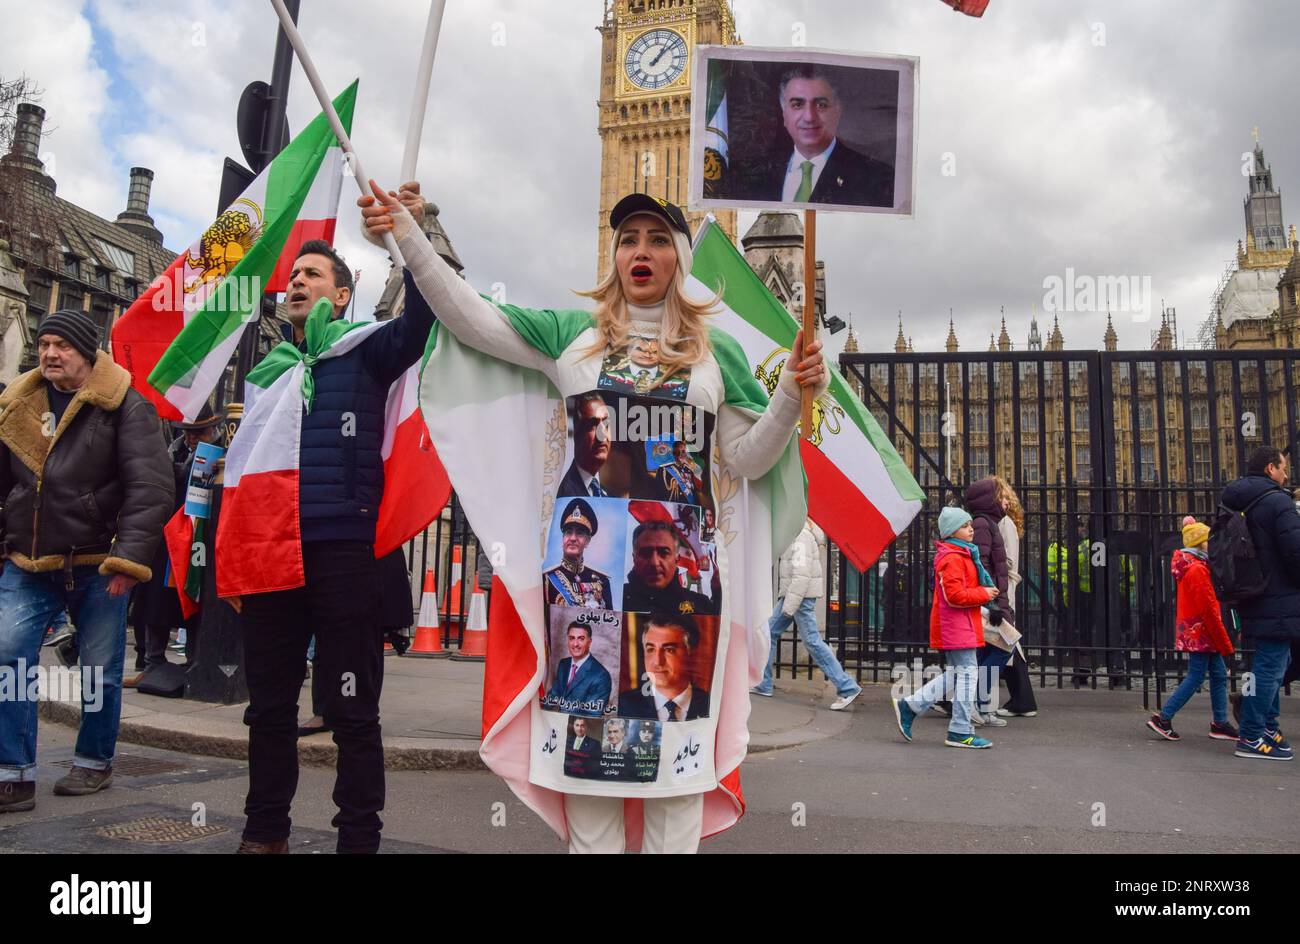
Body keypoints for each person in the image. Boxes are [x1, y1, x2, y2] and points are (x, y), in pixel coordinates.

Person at [364, 186, 827, 852]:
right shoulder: (572, 338)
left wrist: (787, 394)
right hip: (586, 593)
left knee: (675, 785)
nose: (642, 251)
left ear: (681, 259)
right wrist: (408, 235)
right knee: (592, 777)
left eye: (659, 239)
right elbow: (468, 317)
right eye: (629, 239)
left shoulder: (715, 356)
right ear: (614, 258)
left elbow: (748, 461)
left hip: (683, 594)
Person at [229, 183, 437, 854]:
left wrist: (410, 231)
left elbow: (426, 317)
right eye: (291, 276)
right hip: (271, 556)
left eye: (311, 275)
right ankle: (265, 834)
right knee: (268, 709)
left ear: (341, 295)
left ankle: (357, 839)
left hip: (344, 553)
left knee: (351, 709)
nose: (295, 282)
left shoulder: (367, 353)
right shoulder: (267, 373)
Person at [0, 309, 173, 813]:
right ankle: (13, 772)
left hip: (98, 562)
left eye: (63, 346)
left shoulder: (125, 406)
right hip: (27, 561)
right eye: (44, 344)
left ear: (88, 352)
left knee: (98, 669)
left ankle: (93, 763)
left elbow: (152, 488)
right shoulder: (17, 404)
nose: (50, 354)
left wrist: (127, 559)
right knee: (8, 655)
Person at [125, 401, 224, 686]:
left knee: (194, 600)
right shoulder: (173, 450)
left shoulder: (220, 453)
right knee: (156, 598)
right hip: (168, 534)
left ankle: (194, 664)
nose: (192, 438)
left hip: (200, 536)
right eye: (188, 432)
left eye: (198, 432)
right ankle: (153, 661)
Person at [891, 507, 1000, 749]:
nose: (971, 529)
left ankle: (911, 706)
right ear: (952, 531)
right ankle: (959, 730)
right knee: (967, 674)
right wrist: (983, 593)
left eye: (970, 524)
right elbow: (954, 596)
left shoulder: (961, 555)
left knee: (957, 674)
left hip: (961, 625)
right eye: (965, 526)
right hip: (957, 627)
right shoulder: (953, 558)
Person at [1219, 446, 1297, 761]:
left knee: (1271, 664)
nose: (1286, 474)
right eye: (1282, 468)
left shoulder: (1238, 501)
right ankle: (1252, 734)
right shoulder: (1278, 502)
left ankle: (1266, 725)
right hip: (1277, 596)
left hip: (1253, 593)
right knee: (1270, 667)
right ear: (1269, 469)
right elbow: (1294, 552)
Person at [739, 65, 894, 208]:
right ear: (784, 113)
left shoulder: (875, 179)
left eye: (821, 105)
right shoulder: (755, 174)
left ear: (837, 111)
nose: (809, 117)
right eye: (797, 105)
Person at [753, 518, 862, 710]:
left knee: (812, 641)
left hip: (798, 598)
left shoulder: (800, 536)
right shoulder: (797, 535)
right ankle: (764, 683)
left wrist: (789, 607)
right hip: (793, 595)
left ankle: (847, 687)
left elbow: (801, 576)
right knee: (768, 633)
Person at [1146, 516, 1238, 741]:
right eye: (1208, 540)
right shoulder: (1198, 569)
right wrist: (1226, 644)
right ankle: (1164, 717)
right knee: (1196, 676)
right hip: (1201, 632)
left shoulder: (1194, 566)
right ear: (1199, 543)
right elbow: (1208, 610)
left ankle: (1220, 722)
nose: (1212, 544)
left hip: (1198, 631)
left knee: (1217, 675)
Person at [992, 476, 1039, 718]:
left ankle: (951, 699)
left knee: (1003, 642)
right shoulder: (1001, 522)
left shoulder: (1005, 524)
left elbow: (1007, 559)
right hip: (1001, 587)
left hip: (1002, 588)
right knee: (1007, 642)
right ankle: (1023, 700)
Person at [617, 614, 711, 721]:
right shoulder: (623, 707)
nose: (658, 662)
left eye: (669, 650)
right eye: (651, 650)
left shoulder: (710, 705)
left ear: (690, 654)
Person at [622, 519, 716, 616]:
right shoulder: (615, 601)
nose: (655, 562)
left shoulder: (701, 606)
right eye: (646, 553)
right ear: (634, 558)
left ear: (677, 559)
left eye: (664, 553)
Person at [543, 498, 614, 609]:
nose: (573, 538)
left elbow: (609, 624)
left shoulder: (602, 581)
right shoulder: (547, 580)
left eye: (579, 533)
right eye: (568, 532)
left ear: (587, 541)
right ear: (563, 538)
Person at [545, 620, 613, 716]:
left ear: (589, 642)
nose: (575, 644)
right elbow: (553, 696)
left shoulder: (601, 676)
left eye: (581, 639)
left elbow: (593, 715)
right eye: (572, 638)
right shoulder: (563, 664)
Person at [558, 394, 612, 498]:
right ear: (576, 433)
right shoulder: (563, 494)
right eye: (592, 424)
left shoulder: (609, 496)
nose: (602, 435)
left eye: (606, 424)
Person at [654, 441, 703, 505]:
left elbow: (694, 492)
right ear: (674, 453)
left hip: (690, 508)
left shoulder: (689, 470)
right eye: (681, 451)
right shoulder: (664, 470)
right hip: (674, 508)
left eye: (685, 451)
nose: (684, 454)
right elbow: (658, 493)